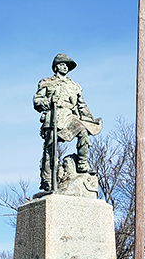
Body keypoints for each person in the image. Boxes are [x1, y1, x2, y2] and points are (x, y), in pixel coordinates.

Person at [33, 54, 102, 191]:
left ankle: (82, 164)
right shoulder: (47, 83)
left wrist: (90, 120)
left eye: (66, 65)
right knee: (50, 150)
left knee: (83, 132)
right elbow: (37, 101)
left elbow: (81, 106)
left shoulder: (74, 86)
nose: (65, 67)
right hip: (53, 118)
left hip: (69, 117)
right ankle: (48, 179)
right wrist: (48, 101)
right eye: (62, 64)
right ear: (56, 67)